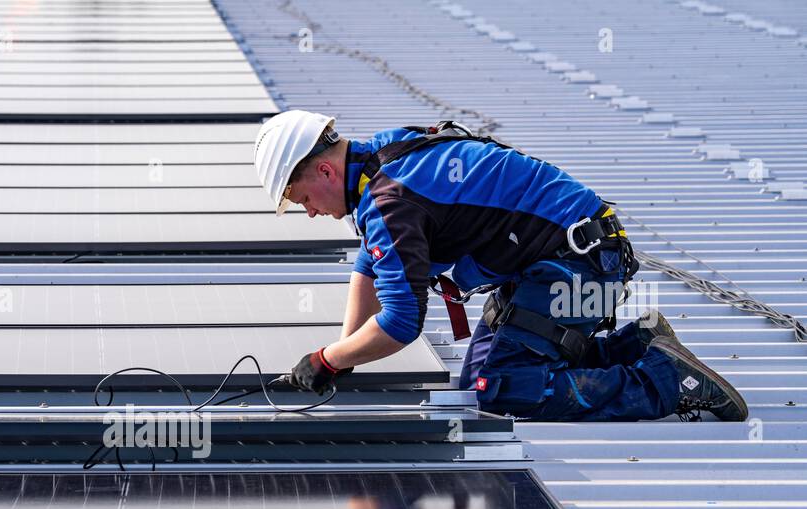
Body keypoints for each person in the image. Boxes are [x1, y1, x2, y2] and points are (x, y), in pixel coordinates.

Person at [254, 110, 747, 422]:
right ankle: (636, 343)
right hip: (572, 260)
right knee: (479, 382)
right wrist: (342, 354)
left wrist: (326, 360)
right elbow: (370, 265)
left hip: (581, 269)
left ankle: (669, 380)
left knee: (504, 391)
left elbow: (402, 323)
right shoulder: (385, 159)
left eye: (302, 200)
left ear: (322, 169)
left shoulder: (389, 201)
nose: (311, 212)